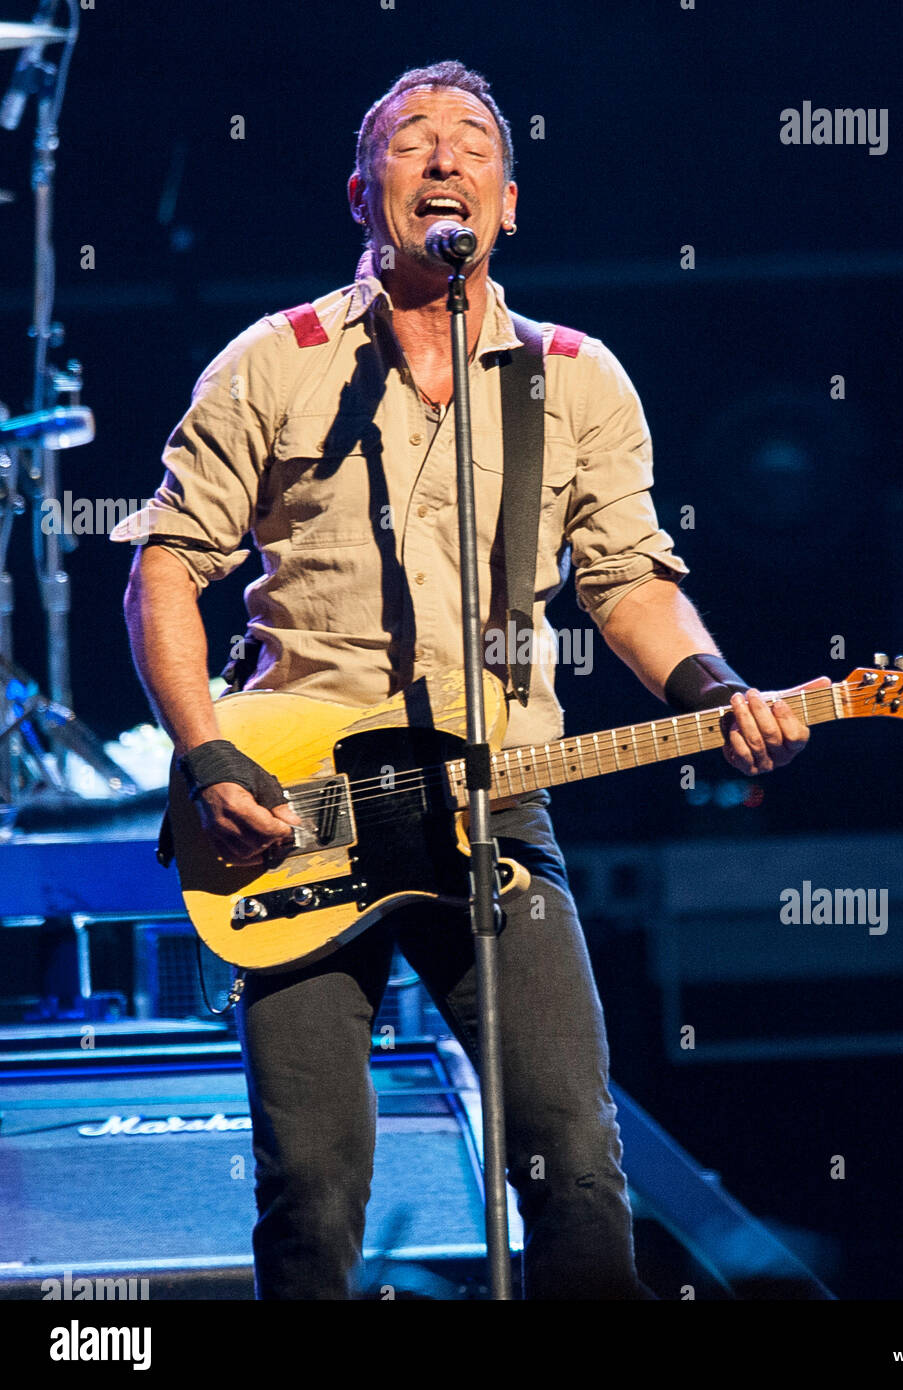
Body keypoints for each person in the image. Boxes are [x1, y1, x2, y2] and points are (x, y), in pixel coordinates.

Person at [116, 61, 824, 1300]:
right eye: (410, 143)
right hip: (297, 810)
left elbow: (627, 580)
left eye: (469, 145)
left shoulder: (573, 374)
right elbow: (165, 569)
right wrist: (207, 750)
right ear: (359, 192)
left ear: (507, 204)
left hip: (494, 798)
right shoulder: (273, 363)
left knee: (575, 1161)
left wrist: (714, 691)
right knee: (314, 1187)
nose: (442, 159)